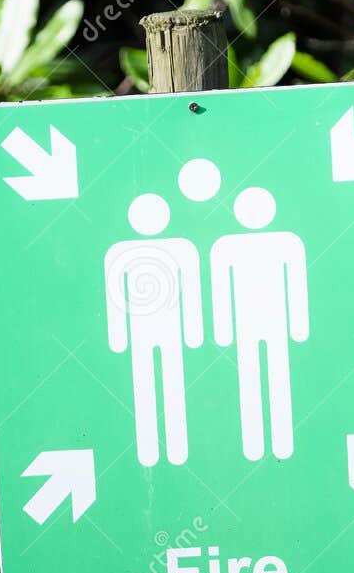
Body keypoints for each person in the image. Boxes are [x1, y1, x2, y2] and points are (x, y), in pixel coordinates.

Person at [210, 186, 308, 461]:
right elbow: (221, 289)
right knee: (249, 378)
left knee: (278, 377)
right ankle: (255, 444)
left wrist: (298, 327)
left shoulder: (287, 243)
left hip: (275, 324)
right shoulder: (226, 247)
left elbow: (296, 284)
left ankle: (282, 443)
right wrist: (223, 330)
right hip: (246, 326)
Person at [104, 193, 203, 466]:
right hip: (141, 333)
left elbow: (192, 292)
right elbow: (114, 299)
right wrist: (118, 338)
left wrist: (193, 331)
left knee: (172, 383)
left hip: (170, 331)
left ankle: (177, 449)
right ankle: (150, 451)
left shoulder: (181, 248)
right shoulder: (120, 253)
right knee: (144, 386)